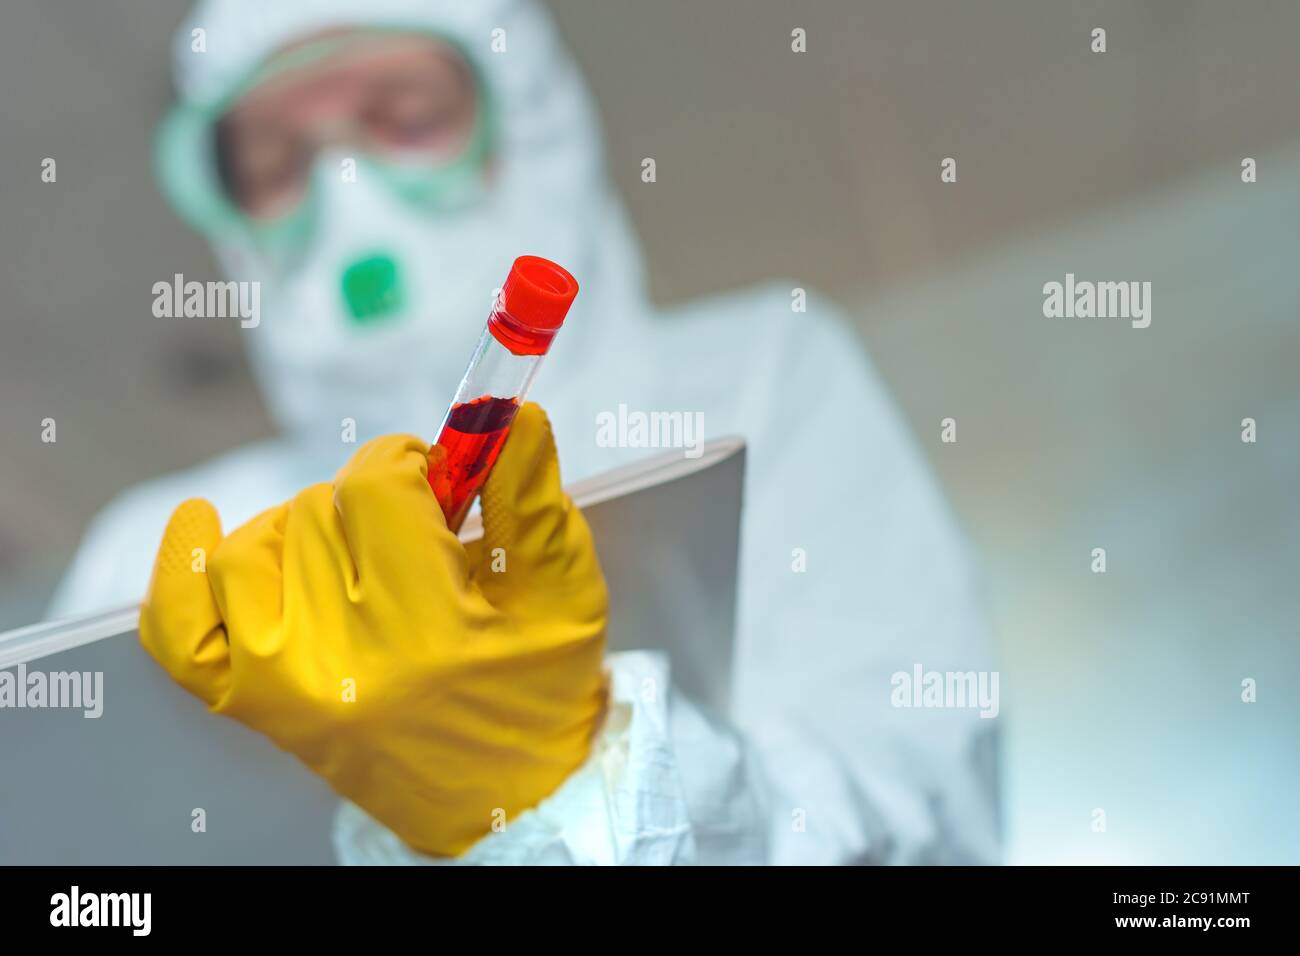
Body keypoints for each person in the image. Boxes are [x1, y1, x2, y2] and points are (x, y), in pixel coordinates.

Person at [51, 0, 1000, 864]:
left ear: (528, 120)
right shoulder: (158, 545)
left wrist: (587, 789)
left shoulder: (757, 373)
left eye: (405, 114)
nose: (345, 191)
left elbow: (924, 804)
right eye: (274, 160)